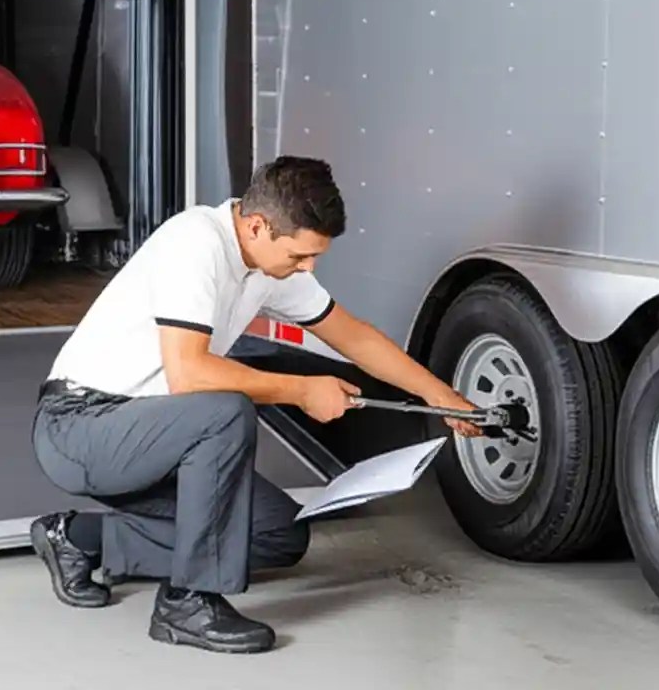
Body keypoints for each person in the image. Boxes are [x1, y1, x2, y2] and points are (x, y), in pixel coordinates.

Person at [28, 155, 482, 654]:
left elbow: (355, 338)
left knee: (276, 535)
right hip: (81, 428)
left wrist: (440, 395)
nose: (307, 268)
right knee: (223, 409)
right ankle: (187, 603)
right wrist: (304, 390)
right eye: (300, 256)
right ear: (258, 225)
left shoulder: (267, 264)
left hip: (154, 434)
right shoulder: (195, 243)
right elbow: (190, 374)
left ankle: (79, 538)